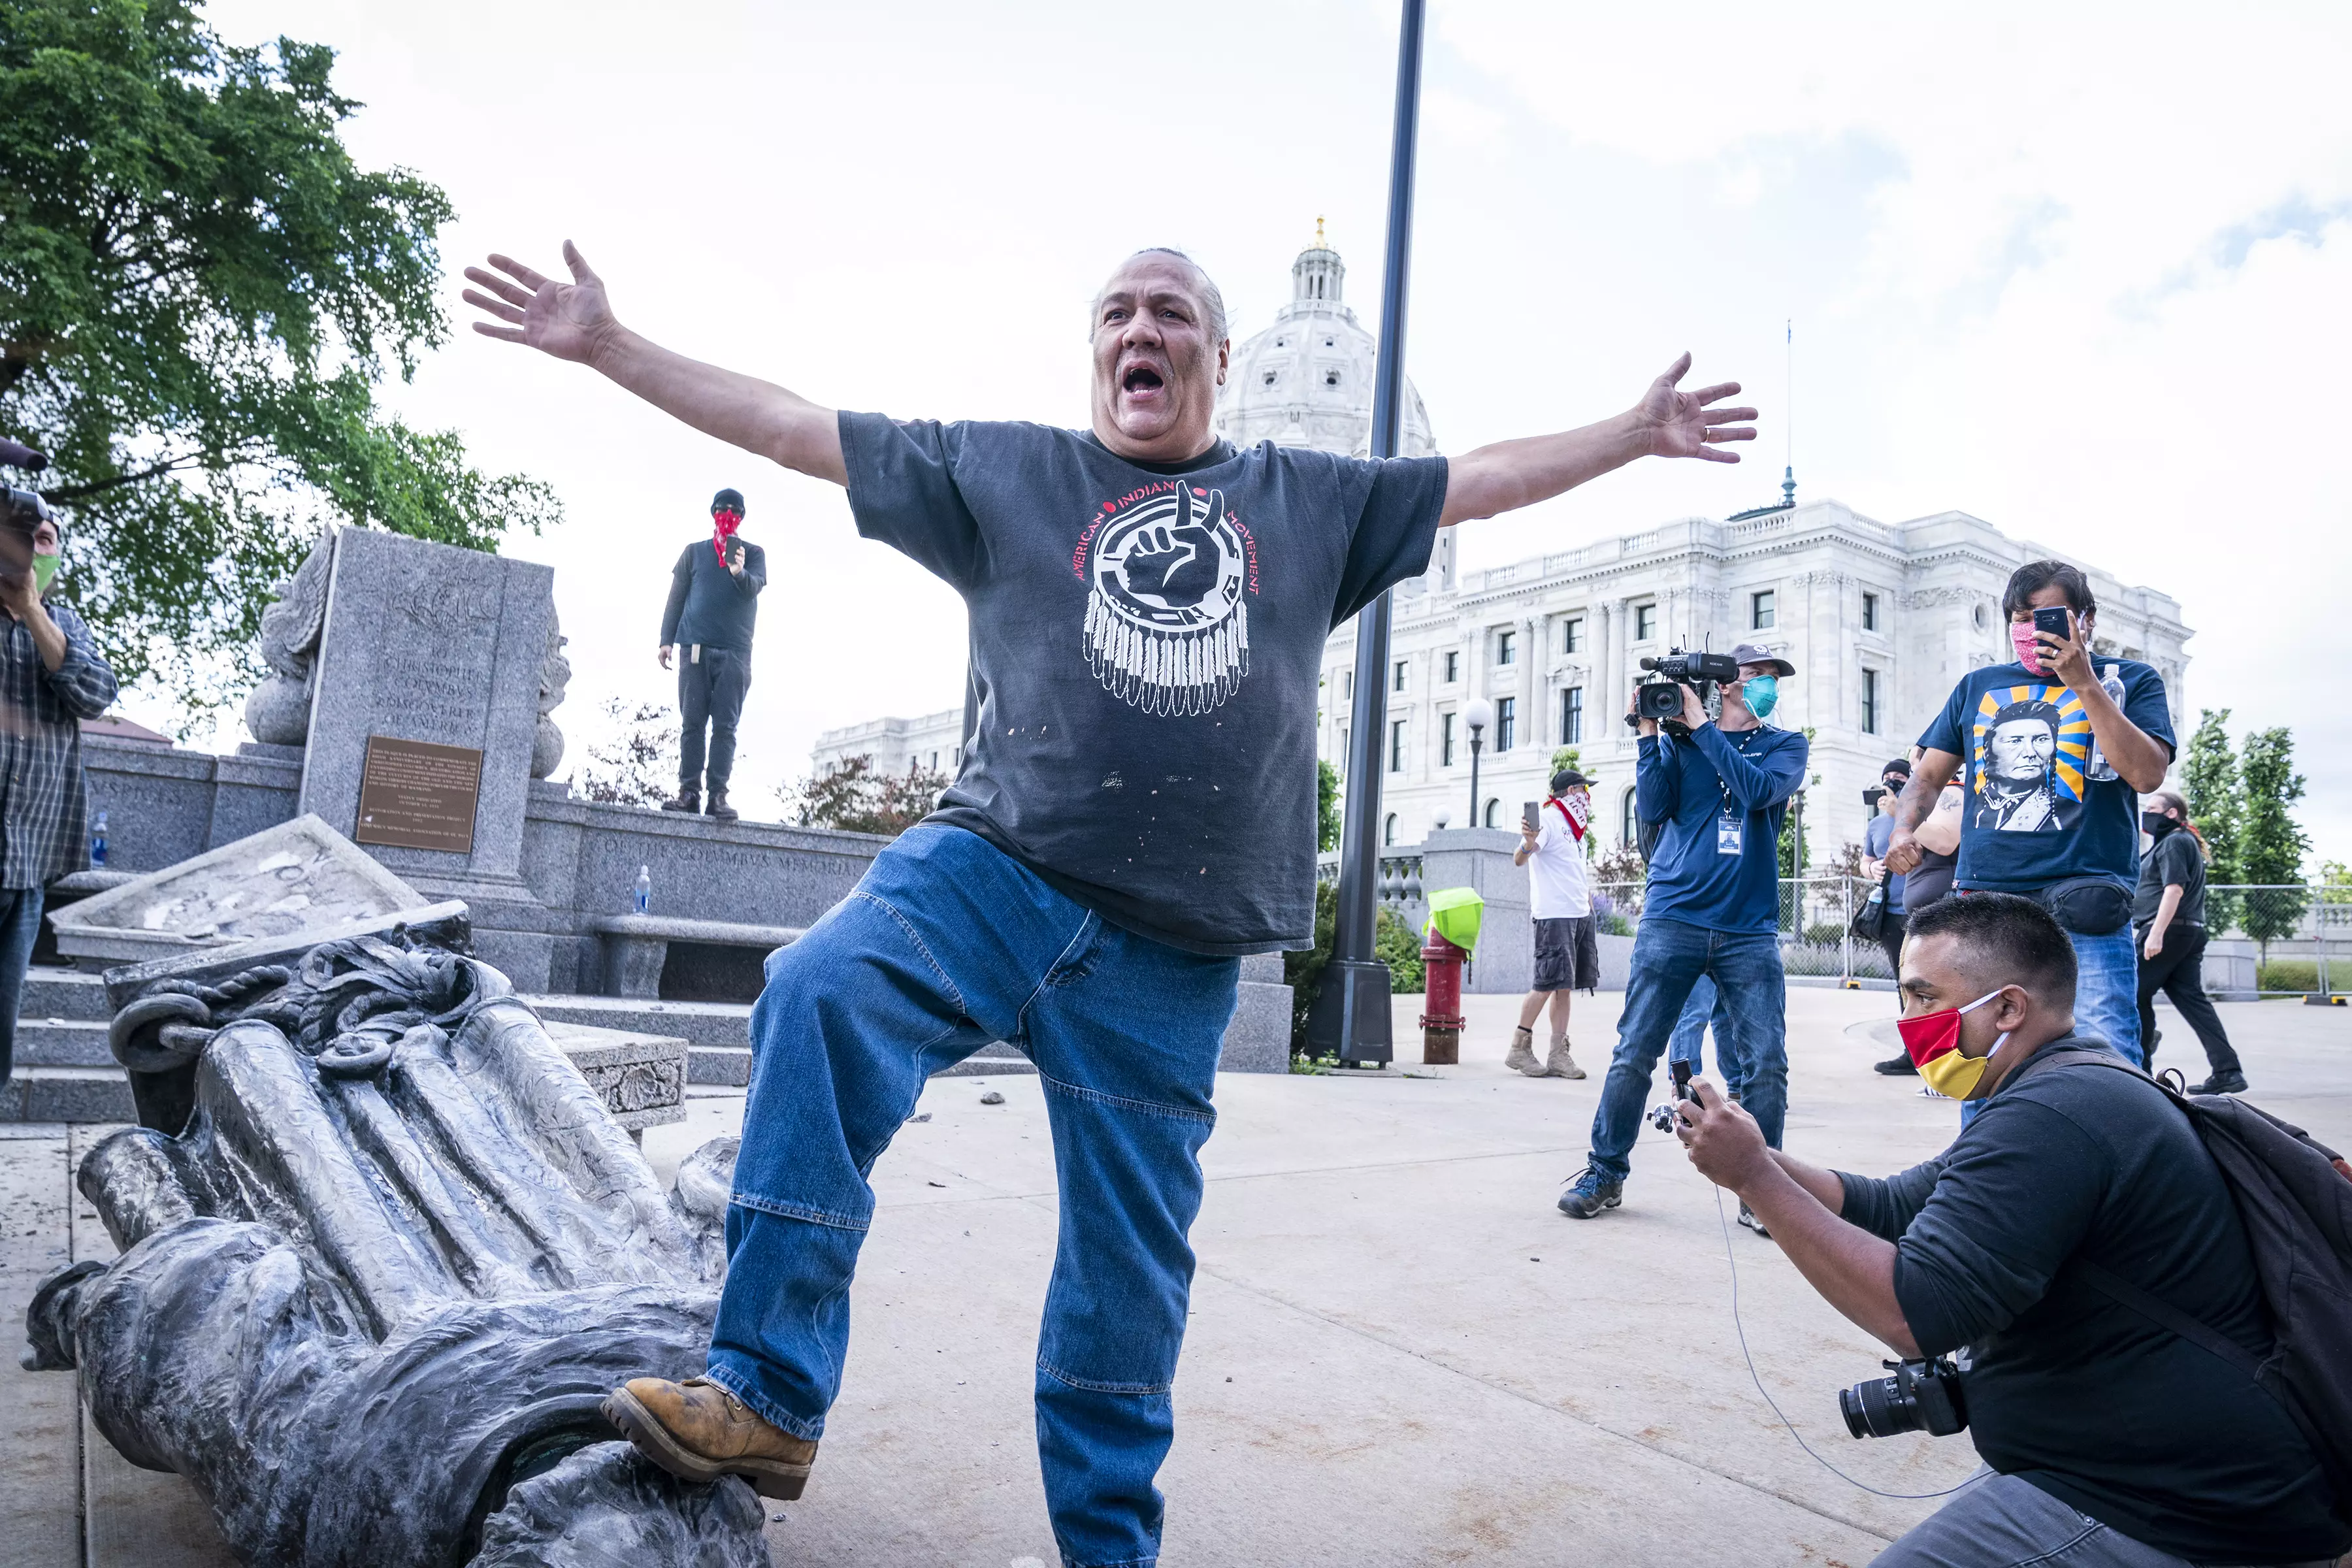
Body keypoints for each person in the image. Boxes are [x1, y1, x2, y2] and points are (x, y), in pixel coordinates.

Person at [463, 238, 1757, 1566]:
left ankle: (1105, 1550)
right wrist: (612, 345)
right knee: (819, 988)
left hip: (1175, 946)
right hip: (994, 870)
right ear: (1098, 351)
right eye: (1119, 312)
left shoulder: (1305, 498)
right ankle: (770, 1394)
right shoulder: (1007, 470)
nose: (1144, 329)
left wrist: (1634, 432)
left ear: (1219, 358)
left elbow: (1481, 478)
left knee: (1126, 1275)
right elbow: (796, 429)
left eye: (1174, 313)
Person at [1671, 892, 2347, 1568]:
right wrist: (1750, 1150)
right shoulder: (2072, 1085)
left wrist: (1755, 1180)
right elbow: (1893, 1205)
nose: (1906, 1023)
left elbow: (1915, 1313)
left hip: (2168, 1509)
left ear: (2008, 1007)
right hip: (2150, 1477)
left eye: (1922, 997)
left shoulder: (2056, 1116)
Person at [1884, 560, 2174, 1079]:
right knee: (1977, 1057)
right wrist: (1903, 830)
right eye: (2020, 618)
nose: (2033, 628)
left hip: (2085, 898)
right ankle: (1986, 1162)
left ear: (2085, 620)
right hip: (1987, 901)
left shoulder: (2130, 680)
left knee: (2107, 1056)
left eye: (2049, 616)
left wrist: (2084, 683)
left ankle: (2116, 1158)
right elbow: (1925, 779)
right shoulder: (1979, 686)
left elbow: (2147, 775)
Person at [1558, 644, 1805, 1233]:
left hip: (1748, 927)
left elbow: (1754, 792)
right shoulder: (1680, 741)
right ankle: (1605, 1171)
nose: (1767, 684)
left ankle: (1762, 1192)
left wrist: (1699, 727)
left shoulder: (1786, 747)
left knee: (1764, 1063)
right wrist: (1650, 736)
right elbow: (1655, 805)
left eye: (1773, 677)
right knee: (1634, 1052)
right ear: (1724, 682)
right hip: (1674, 916)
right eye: (1757, 675)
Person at [0, 505, 117, 1094]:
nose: (33, 551)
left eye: (45, 541)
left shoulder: (64, 623)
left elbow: (95, 693)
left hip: (24, 865)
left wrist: (31, 611)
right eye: (22, 539)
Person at [657, 486, 768, 821]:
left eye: (734, 510)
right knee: (692, 723)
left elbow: (753, 588)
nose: (728, 514)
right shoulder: (694, 553)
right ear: (712, 513)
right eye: (722, 509)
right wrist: (666, 639)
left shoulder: (754, 553)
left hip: (735, 653)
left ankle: (717, 795)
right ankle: (689, 791)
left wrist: (737, 569)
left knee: (725, 726)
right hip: (694, 647)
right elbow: (676, 597)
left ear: (743, 517)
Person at [2135, 789, 2246, 1095]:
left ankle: (2139, 1068)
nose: (2148, 813)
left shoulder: (2174, 842)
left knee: (2134, 994)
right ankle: (2228, 1071)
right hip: (2186, 932)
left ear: (2171, 813)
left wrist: (2155, 934)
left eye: (2154, 808)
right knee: (2192, 1002)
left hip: (2168, 931)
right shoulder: (2178, 842)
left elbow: (2173, 890)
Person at [1507, 766, 1598, 1079]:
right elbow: (1520, 857)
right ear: (1572, 792)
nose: (1588, 797)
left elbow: (1572, 869)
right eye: (1585, 790)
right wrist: (1527, 842)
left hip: (1577, 914)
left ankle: (1558, 1055)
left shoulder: (1575, 828)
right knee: (1546, 984)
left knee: (1564, 988)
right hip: (1553, 915)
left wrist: (1586, 901)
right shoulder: (1547, 820)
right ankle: (1519, 1048)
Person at [1874, 775, 1962, 1075]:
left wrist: (1903, 818)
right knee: (1915, 990)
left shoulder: (1954, 790)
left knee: (1941, 992)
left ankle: (1945, 1066)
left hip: (1944, 916)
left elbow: (1947, 841)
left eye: (1916, 762)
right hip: (1920, 918)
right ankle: (1921, 1058)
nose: (1914, 771)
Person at [1860, 757, 1913, 985]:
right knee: (1900, 976)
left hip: (1919, 906)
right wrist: (1871, 869)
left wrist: (1899, 812)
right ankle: (1905, 1019)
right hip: (1889, 911)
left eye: (1898, 779)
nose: (1891, 783)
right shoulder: (1875, 825)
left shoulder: (1923, 816)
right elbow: (1865, 863)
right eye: (1887, 779)